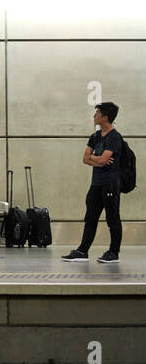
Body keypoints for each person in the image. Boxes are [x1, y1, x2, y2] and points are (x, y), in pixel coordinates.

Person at [64, 101, 124, 264]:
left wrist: (95, 159)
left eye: (97, 113)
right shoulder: (95, 136)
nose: (94, 116)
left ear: (105, 117)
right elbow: (86, 159)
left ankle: (113, 252)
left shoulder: (114, 137)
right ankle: (82, 251)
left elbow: (104, 160)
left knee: (113, 218)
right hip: (96, 183)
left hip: (110, 183)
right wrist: (97, 160)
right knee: (90, 217)